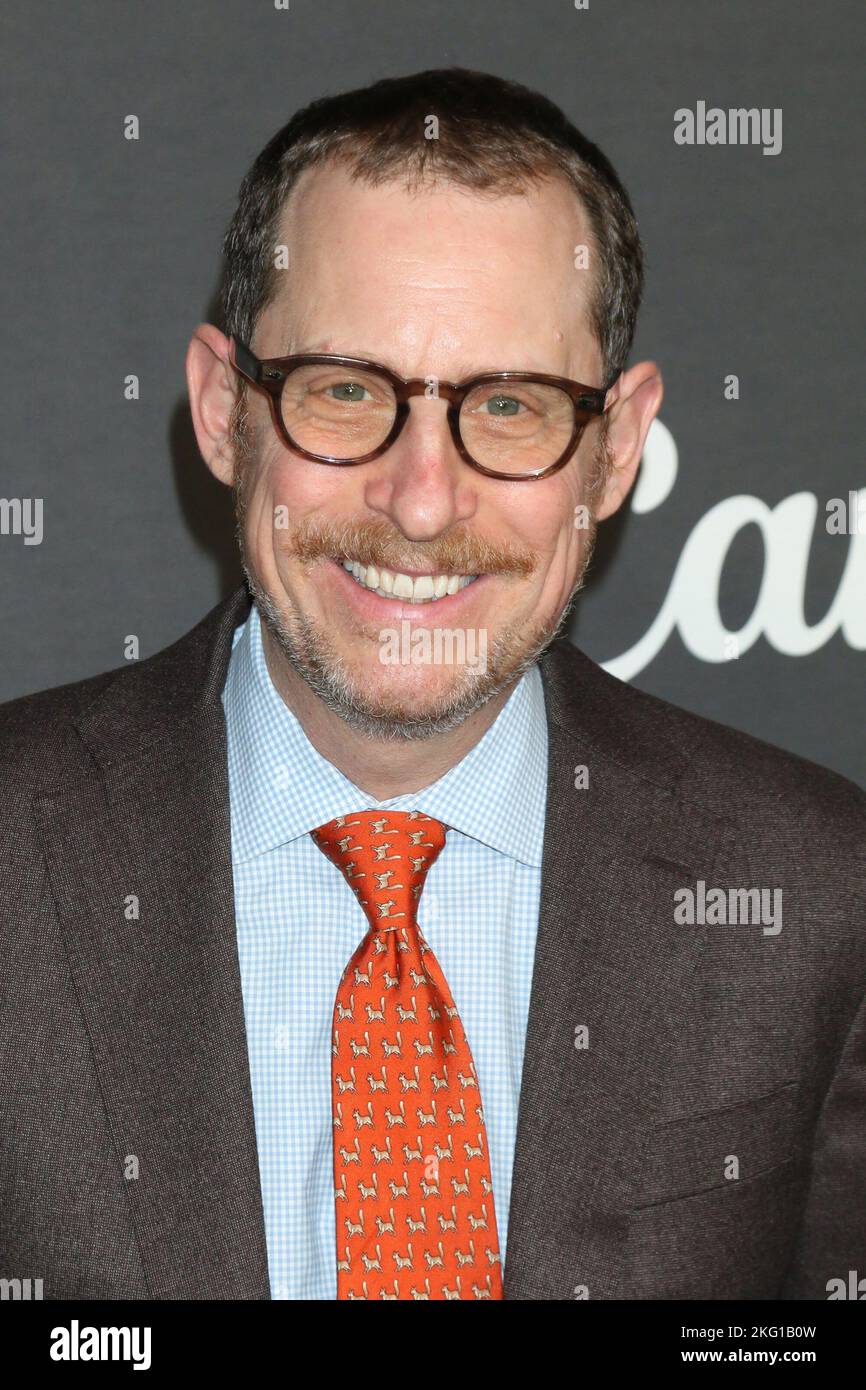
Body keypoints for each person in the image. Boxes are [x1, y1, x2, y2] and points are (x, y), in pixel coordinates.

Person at [2, 67, 863, 1301]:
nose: (418, 500)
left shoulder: (819, 900)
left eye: (508, 406)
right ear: (219, 412)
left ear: (612, 451)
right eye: (344, 392)